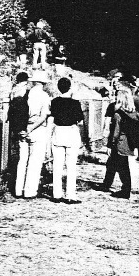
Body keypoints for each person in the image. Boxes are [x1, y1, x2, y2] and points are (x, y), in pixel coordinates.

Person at [94, 88, 139, 199]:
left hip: (119, 143)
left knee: (122, 167)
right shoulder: (134, 113)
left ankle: (125, 190)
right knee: (112, 164)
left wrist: (110, 145)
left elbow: (115, 132)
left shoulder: (118, 115)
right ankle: (107, 184)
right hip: (128, 142)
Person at [14, 70, 51, 198]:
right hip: (37, 129)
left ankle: (18, 189)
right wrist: (31, 129)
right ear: (44, 83)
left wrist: (22, 129)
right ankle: (29, 191)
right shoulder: (44, 96)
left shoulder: (25, 93)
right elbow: (43, 116)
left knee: (22, 160)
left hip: (23, 128)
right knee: (35, 161)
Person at [50, 77, 83, 203]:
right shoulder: (75, 103)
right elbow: (79, 120)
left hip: (58, 131)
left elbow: (52, 118)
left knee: (57, 165)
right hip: (71, 131)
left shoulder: (54, 102)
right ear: (69, 87)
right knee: (71, 166)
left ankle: (56, 194)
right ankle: (70, 195)